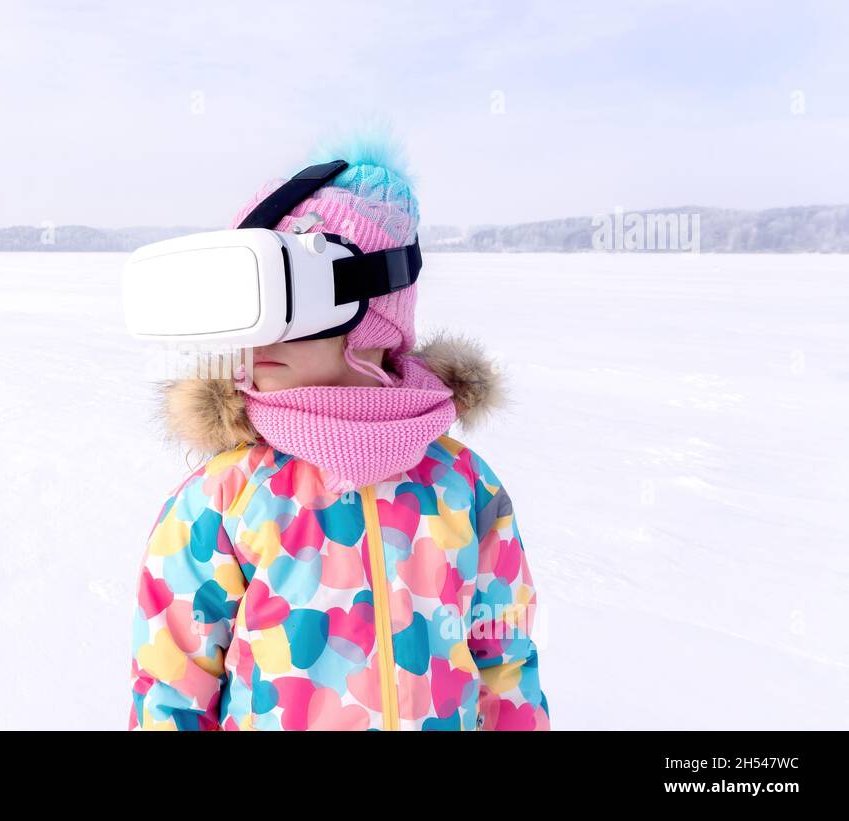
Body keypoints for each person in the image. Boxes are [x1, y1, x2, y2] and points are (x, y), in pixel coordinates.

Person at [127, 132, 550, 731]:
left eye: (287, 302)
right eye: (247, 306)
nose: (258, 336)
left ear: (371, 316)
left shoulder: (464, 484)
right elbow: (171, 682)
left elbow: (504, 655)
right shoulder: (224, 495)